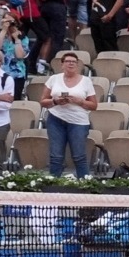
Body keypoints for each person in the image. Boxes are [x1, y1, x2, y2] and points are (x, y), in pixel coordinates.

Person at [43, 49, 96, 177]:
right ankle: (53, 185)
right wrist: (55, 101)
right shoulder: (53, 79)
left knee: (79, 156)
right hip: (55, 119)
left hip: (78, 121)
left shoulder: (86, 81)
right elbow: (43, 101)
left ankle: (84, 184)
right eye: (67, 61)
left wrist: (80, 101)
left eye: (74, 62)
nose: (70, 64)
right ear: (62, 64)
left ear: (77, 65)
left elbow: (94, 105)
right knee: (56, 156)